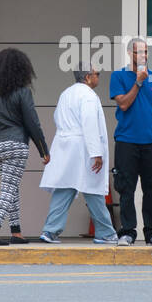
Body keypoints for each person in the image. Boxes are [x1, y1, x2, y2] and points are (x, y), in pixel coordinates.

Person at [38, 66, 118, 244]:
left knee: (65, 188)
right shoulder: (88, 96)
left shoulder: (66, 94)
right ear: (88, 77)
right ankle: (105, 232)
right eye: (97, 74)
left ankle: (50, 231)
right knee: (93, 190)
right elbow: (89, 124)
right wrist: (96, 153)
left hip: (65, 146)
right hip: (83, 148)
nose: (99, 77)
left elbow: (57, 117)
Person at [0, 48, 50, 245]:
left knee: (11, 188)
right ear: (22, 70)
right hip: (14, 146)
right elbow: (32, 123)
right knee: (8, 189)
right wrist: (43, 150)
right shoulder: (23, 92)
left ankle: (16, 232)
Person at [110, 37, 152, 246]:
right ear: (129, 54)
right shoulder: (118, 76)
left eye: (145, 52)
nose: (143, 56)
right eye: (139, 52)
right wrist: (138, 81)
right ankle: (127, 231)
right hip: (127, 140)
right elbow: (123, 105)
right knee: (126, 188)